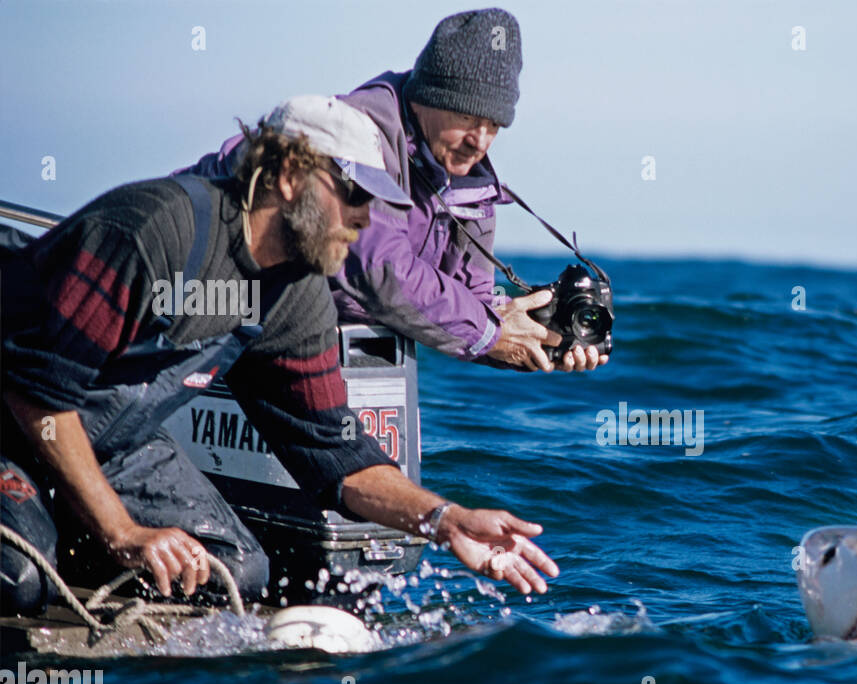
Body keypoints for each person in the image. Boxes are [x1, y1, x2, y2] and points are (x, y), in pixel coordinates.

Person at [0, 95, 558, 616]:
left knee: (234, 573)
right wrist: (120, 530)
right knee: (18, 577)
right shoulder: (156, 229)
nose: (368, 220)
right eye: (357, 196)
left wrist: (445, 519)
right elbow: (36, 388)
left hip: (115, 443)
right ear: (290, 177)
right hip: (19, 420)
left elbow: (335, 454)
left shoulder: (296, 294)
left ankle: (66, 536)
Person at [185, 7, 607, 375]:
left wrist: (541, 341)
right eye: (467, 117)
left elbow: (468, 311)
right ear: (425, 97)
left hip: (289, 325)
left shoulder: (470, 184)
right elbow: (376, 267)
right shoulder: (357, 135)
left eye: (495, 125)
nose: (480, 141)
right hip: (190, 282)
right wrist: (490, 332)